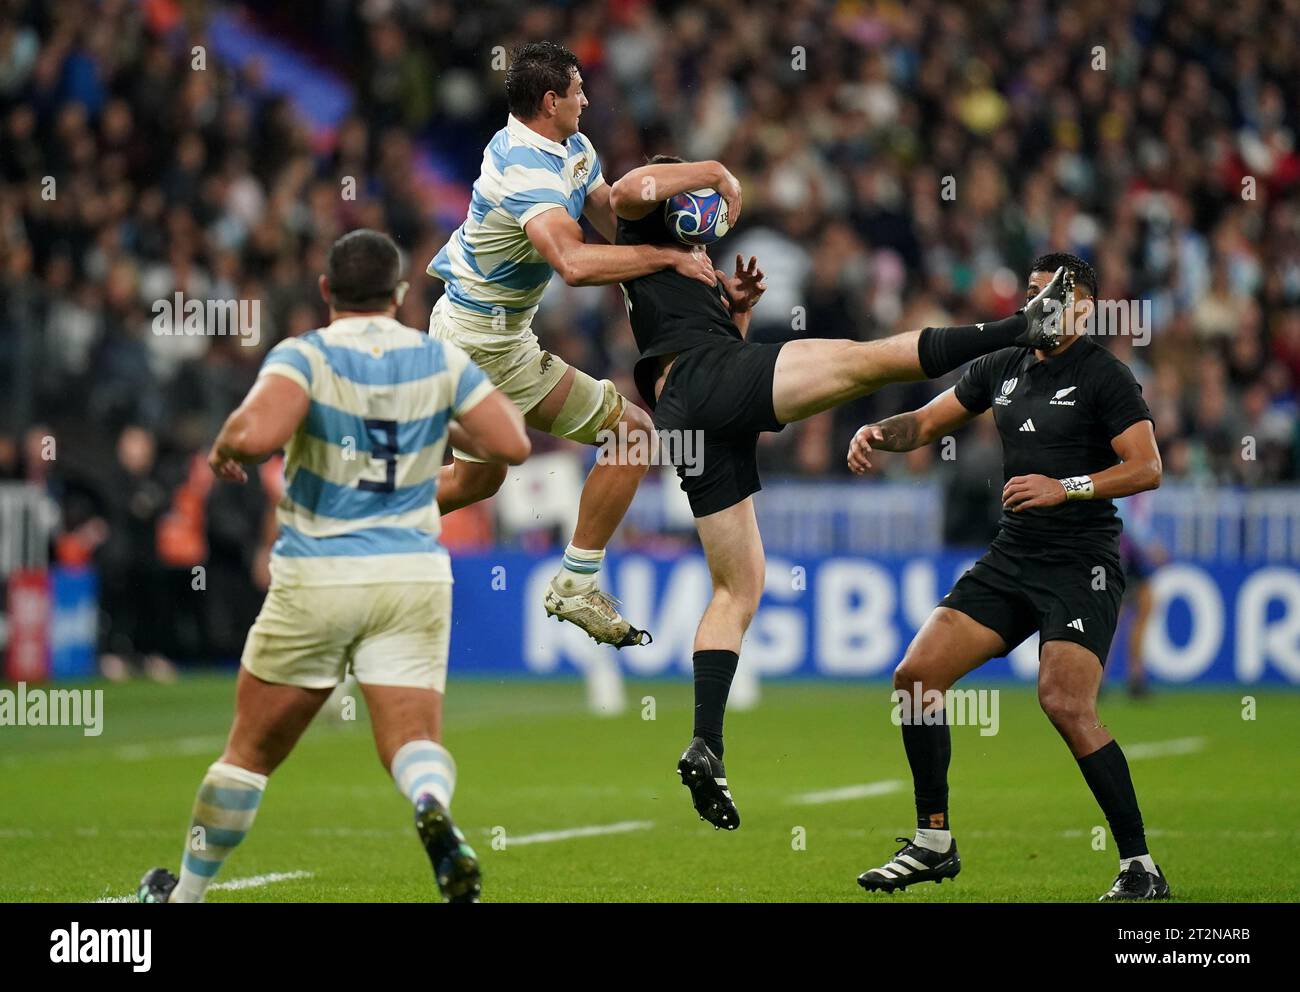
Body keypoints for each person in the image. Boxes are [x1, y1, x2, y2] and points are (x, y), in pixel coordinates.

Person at [609, 155, 1068, 830]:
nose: (703, 206)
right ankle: (1021, 328)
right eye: (690, 190)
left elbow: (684, 336)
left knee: (738, 588)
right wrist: (716, 170)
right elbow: (627, 189)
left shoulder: (677, 263)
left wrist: (735, 313)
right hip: (707, 382)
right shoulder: (639, 219)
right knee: (864, 359)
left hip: (690, 410)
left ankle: (707, 742)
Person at [138, 229, 530, 904]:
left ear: (326, 291)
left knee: (249, 755)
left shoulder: (307, 356)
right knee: (411, 739)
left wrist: (229, 446)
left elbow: (254, 434)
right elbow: (510, 444)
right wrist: (433, 423)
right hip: (410, 577)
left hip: (319, 574)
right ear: (401, 295)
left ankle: (185, 896)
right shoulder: (434, 359)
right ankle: (430, 801)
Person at [848, 253, 1170, 901]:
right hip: (1013, 555)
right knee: (916, 678)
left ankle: (1140, 866)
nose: (1039, 301)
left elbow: (1147, 467)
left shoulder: (1105, 376)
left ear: (1084, 307)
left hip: (1082, 561)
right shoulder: (1003, 364)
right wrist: (879, 433)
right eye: (1032, 290)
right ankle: (933, 841)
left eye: (1055, 292)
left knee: (1064, 702)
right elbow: (928, 423)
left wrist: (1066, 486)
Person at [425, 41, 721, 678]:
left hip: (509, 347)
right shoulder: (522, 168)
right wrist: (669, 258)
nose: (589, 99)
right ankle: (571, 582)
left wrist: (700, 274)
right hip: (469, 349)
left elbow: (617, 226)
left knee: (492, 476)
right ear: (550, 101)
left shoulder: (574, 151)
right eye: (580, 90)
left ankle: (384, 521)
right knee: (625, 436)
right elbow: (576, 262)